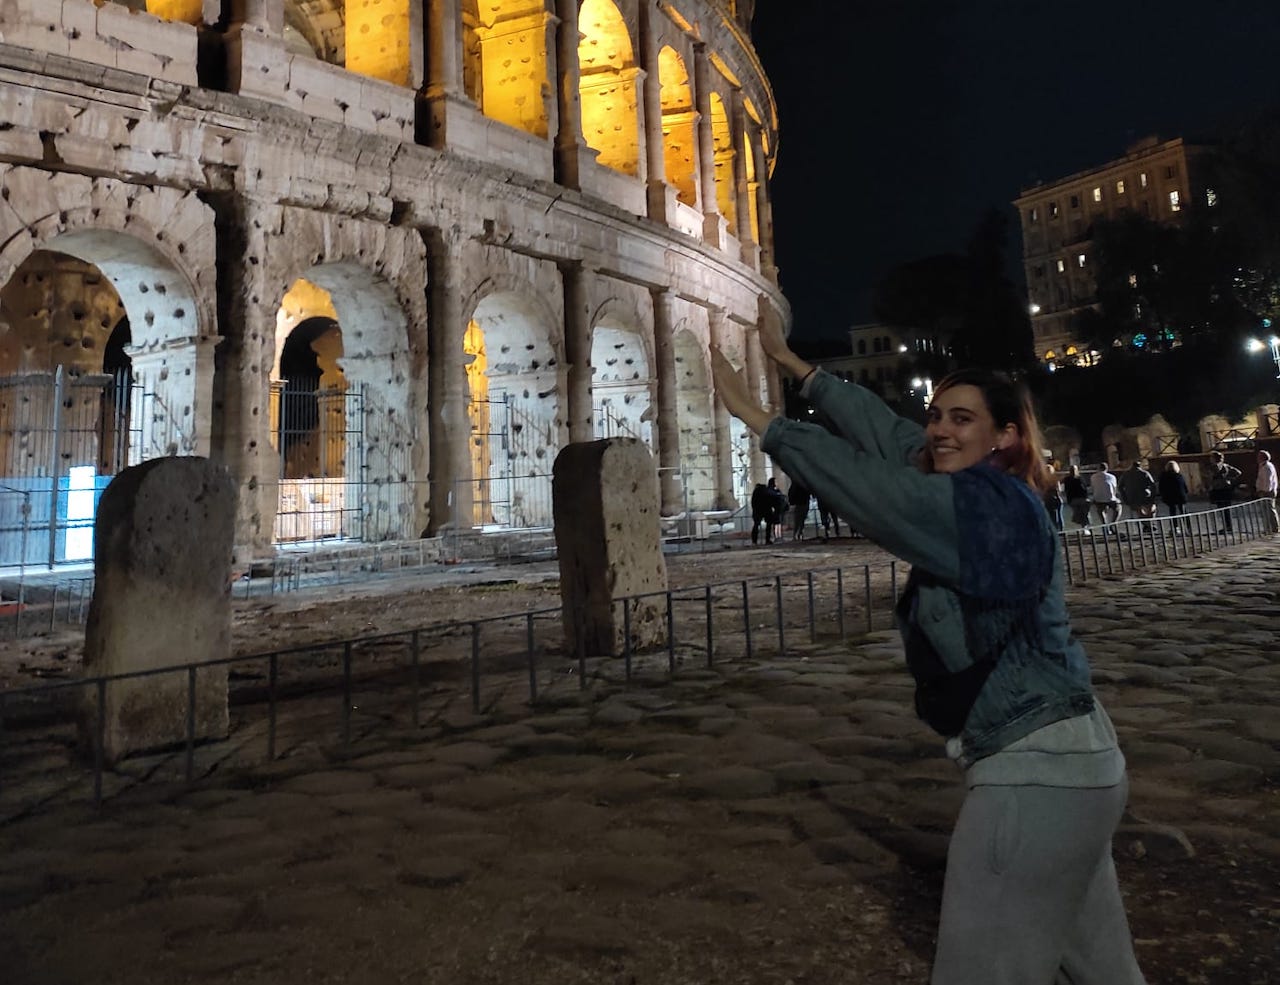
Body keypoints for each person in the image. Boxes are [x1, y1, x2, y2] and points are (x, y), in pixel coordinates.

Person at [709, 328, 1145, 985]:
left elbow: (878, 491)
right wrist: (803, 371)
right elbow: (894, 439)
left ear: (1004, 435)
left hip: (1034, 778)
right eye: (936, 414)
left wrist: (768, 424)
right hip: (1079, 764)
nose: (939, 430)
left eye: (962, 419)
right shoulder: (995, 491)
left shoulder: (983, 509)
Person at [1207, 451, 1242, 533]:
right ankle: (1228, 526)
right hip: (1226, 489)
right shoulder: (1226, 466)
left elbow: (1211, 478)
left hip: (1218, 490)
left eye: (1211, 457)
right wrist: (1229, 479)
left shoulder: (1214, 467)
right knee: (1227, 509)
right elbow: (1238, 472)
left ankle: (1227, 527)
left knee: (1222, 509)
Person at [1118, 460, 1157, 528]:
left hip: (1131, 497)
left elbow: (1120, 487)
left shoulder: (1125, 474)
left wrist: (1124, 496)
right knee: (1151, 509)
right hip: (1145, 496)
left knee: (1139, 511)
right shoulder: (1145, 473)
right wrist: (1152, 496)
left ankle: (1146, 524)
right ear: (1140, 466)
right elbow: (1153, 485)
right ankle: (1149, 524)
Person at [1158, 460, 1189, 529]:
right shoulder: (1179, 476)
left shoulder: (1164, 476)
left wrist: (1162, 495)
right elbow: (1184, 487)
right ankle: (1187, 527)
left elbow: (1161, 487)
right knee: (1183, 511)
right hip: (1180, 496)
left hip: (1170, 497)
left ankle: (1175, 527)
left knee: (1172, 512)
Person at [1255, 449, 1279, 534]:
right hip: (1266, 491)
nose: (1257, 458)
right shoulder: (1265, 466)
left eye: (1259, 456)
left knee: (1269, 510)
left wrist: (1264, 491)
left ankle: (1273, 528)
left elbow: (1268, 481)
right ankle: (1269, 528)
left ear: (1262, 458)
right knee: (1267, 511)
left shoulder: (1266, 467)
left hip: (1267, 492)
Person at [1063, 464, 1091, 531]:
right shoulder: (1080, 479)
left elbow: (1066, 490)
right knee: (1084, 513)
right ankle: (1085, 527)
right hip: (1081, 498)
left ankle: (1084, 527)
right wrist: (1087, 497)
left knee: (1079, 513)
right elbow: (1084, 489)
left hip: (1072, 499)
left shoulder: (1067, 479)